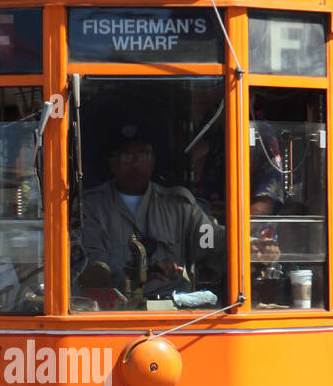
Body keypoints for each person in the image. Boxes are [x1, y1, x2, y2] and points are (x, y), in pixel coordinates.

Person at [79, 123, 224, 301]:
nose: (135, 164)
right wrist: (142, 271)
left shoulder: (179, 205)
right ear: (112, 162)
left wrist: (245, 241)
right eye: (127, 156)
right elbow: (92, 262)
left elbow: (208, 240)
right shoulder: (91, 206)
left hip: (171, 308)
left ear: (153, 159)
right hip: (114, 309)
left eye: (143, 154)